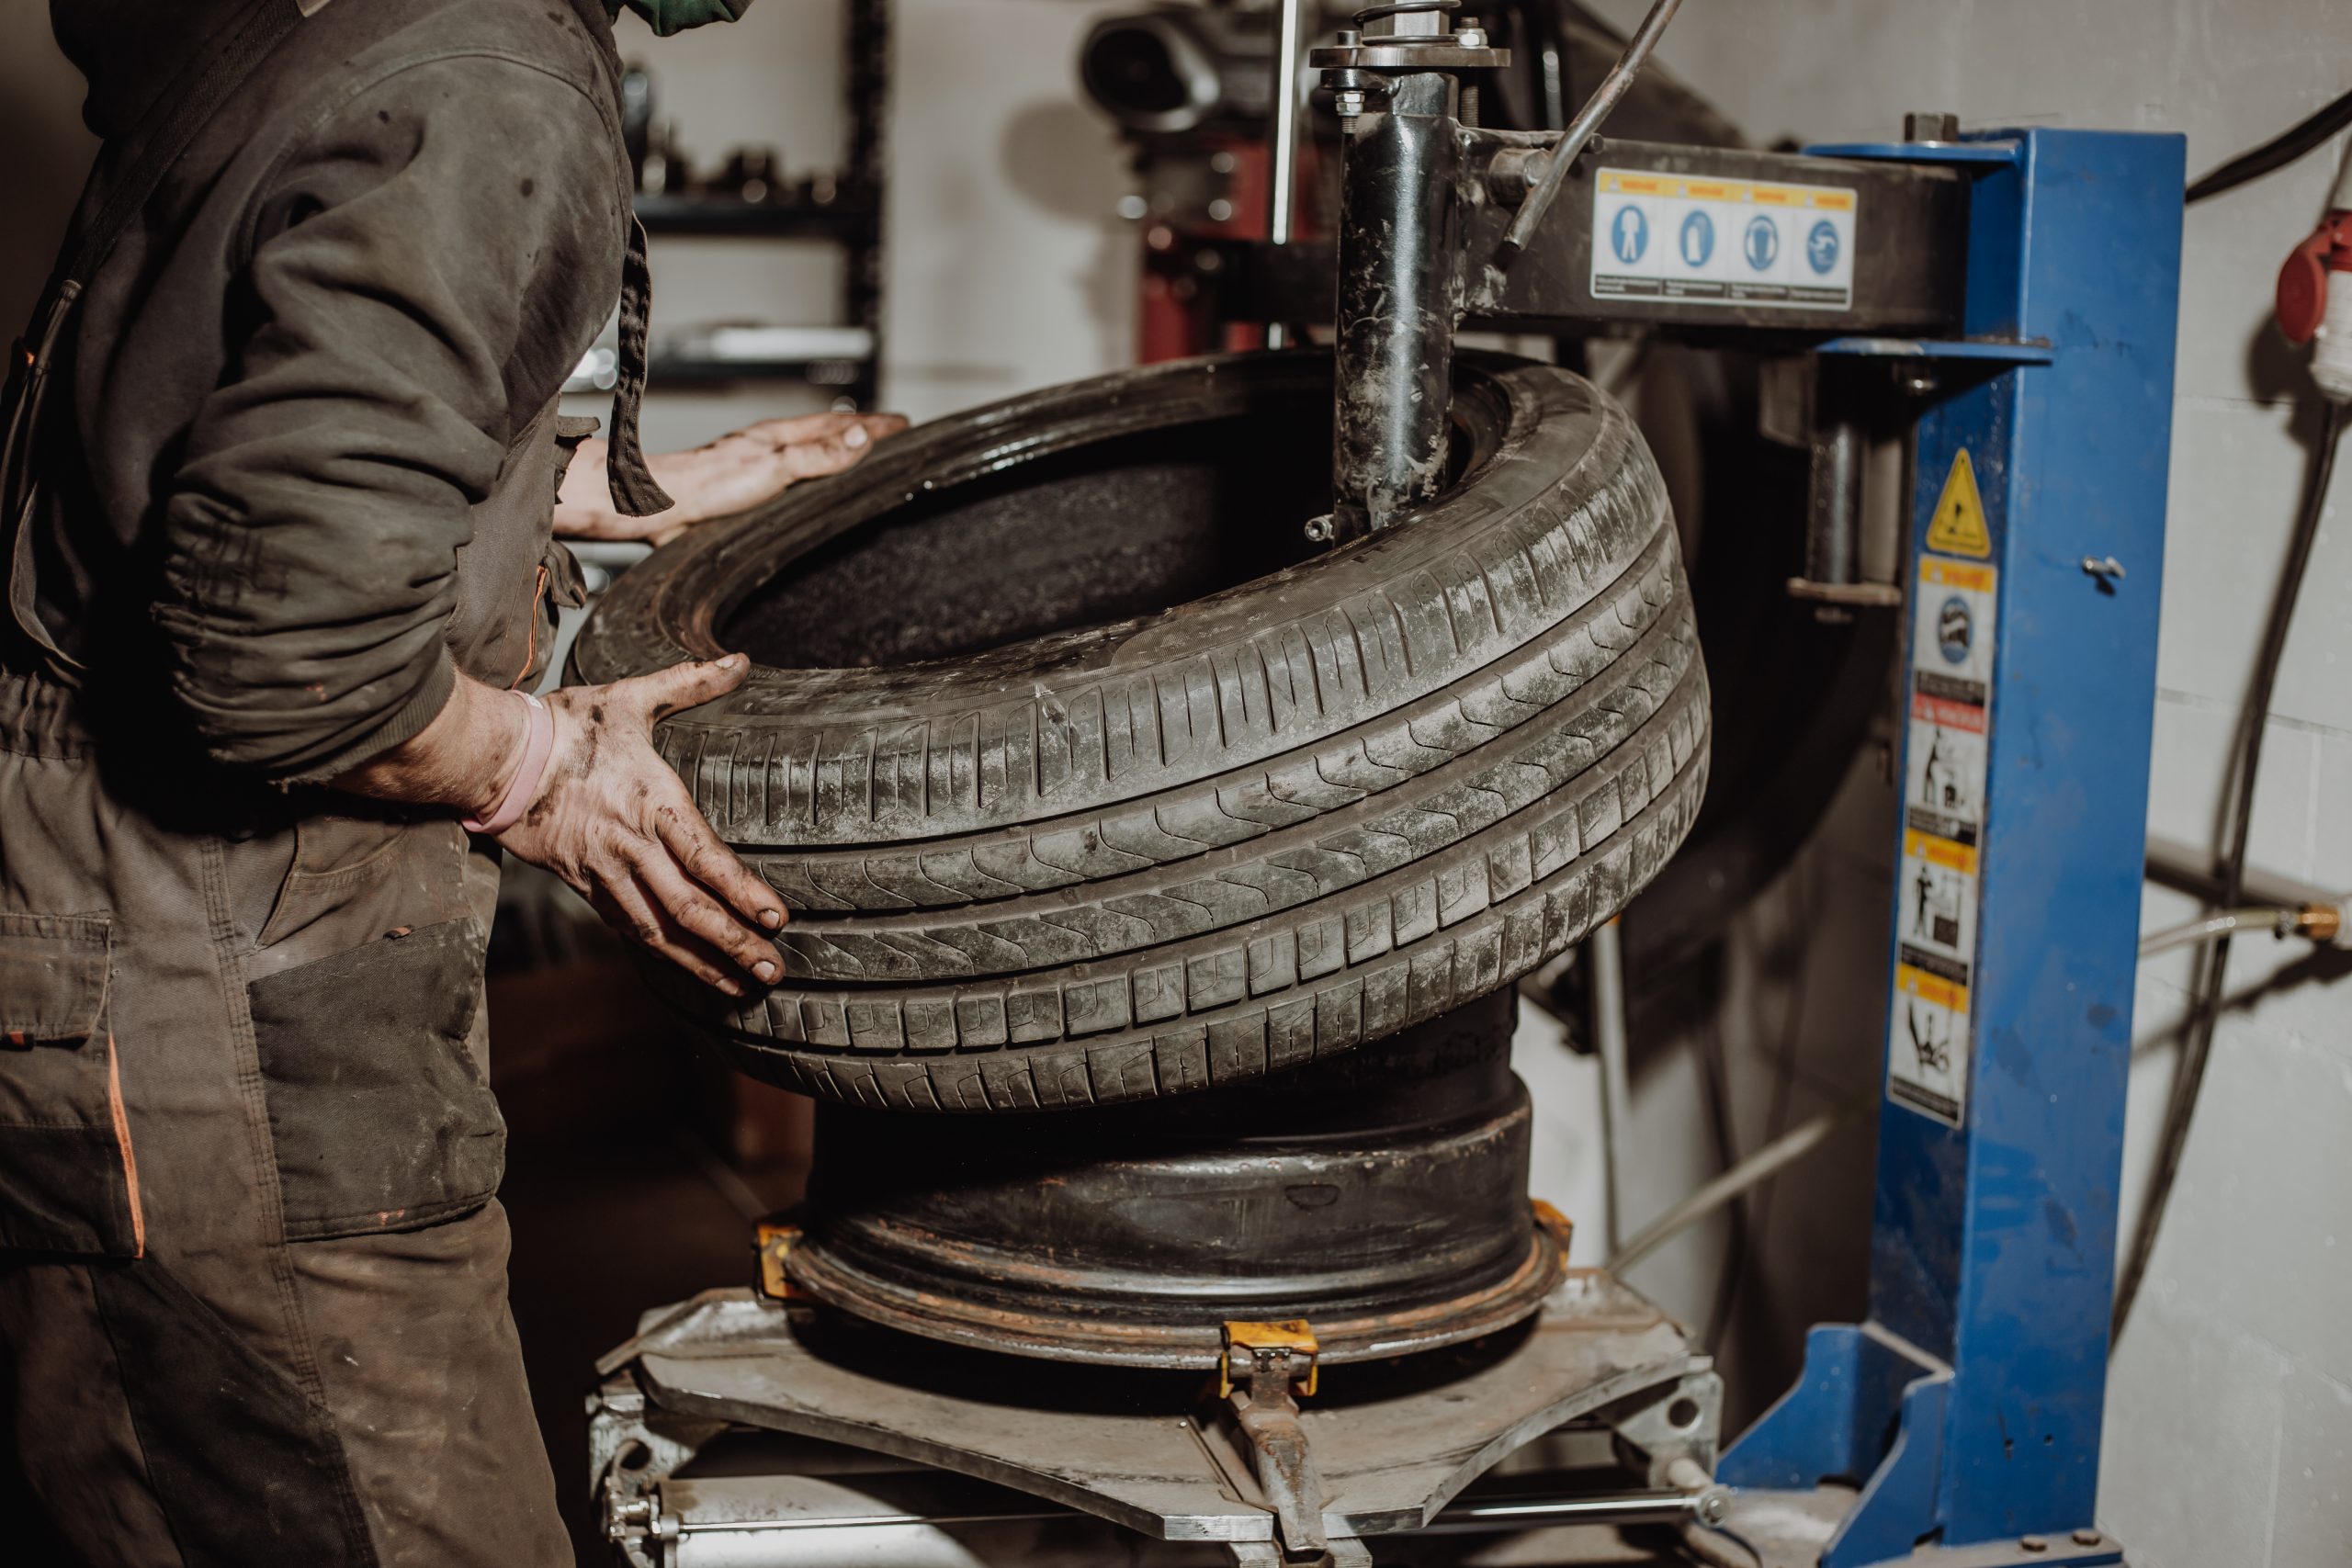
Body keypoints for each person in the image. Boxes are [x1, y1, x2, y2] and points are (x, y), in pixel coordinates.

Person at [0, 1, 899, 1562]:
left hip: (120, 934)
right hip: (207, 984)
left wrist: (584, 486)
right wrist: (548, 770)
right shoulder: (491, 77)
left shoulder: (342, 20)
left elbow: (198, 407)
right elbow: (286, 649)